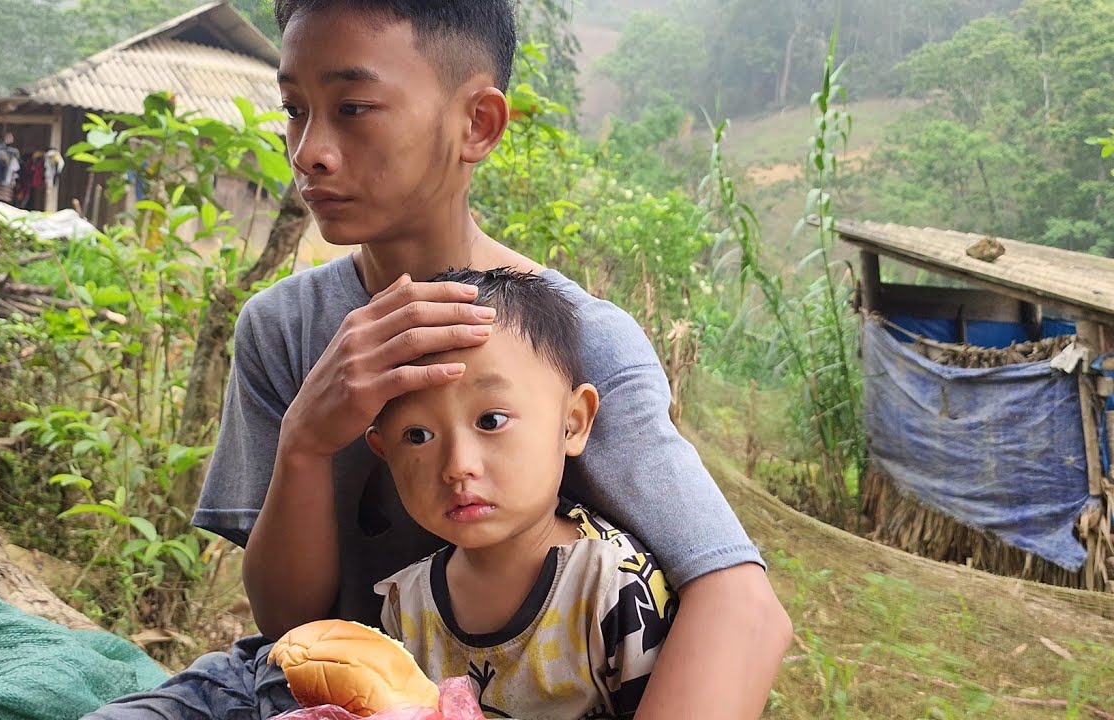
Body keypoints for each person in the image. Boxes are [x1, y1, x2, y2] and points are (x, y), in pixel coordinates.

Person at [87, 1, 792, 718]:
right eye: (295, 110)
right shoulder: (286, 326)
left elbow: (741, 604)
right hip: (299, 689)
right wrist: (304, 441)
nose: (309, 151)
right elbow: (287, 628)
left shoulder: (571, 341)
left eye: (354, 107)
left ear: (477, 124)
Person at [368, 267, 676, 720]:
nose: (458, 466)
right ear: (384, 452)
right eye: (417, 435)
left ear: (572, 422)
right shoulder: (406, 604)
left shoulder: (610, 586)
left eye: (491, 421)